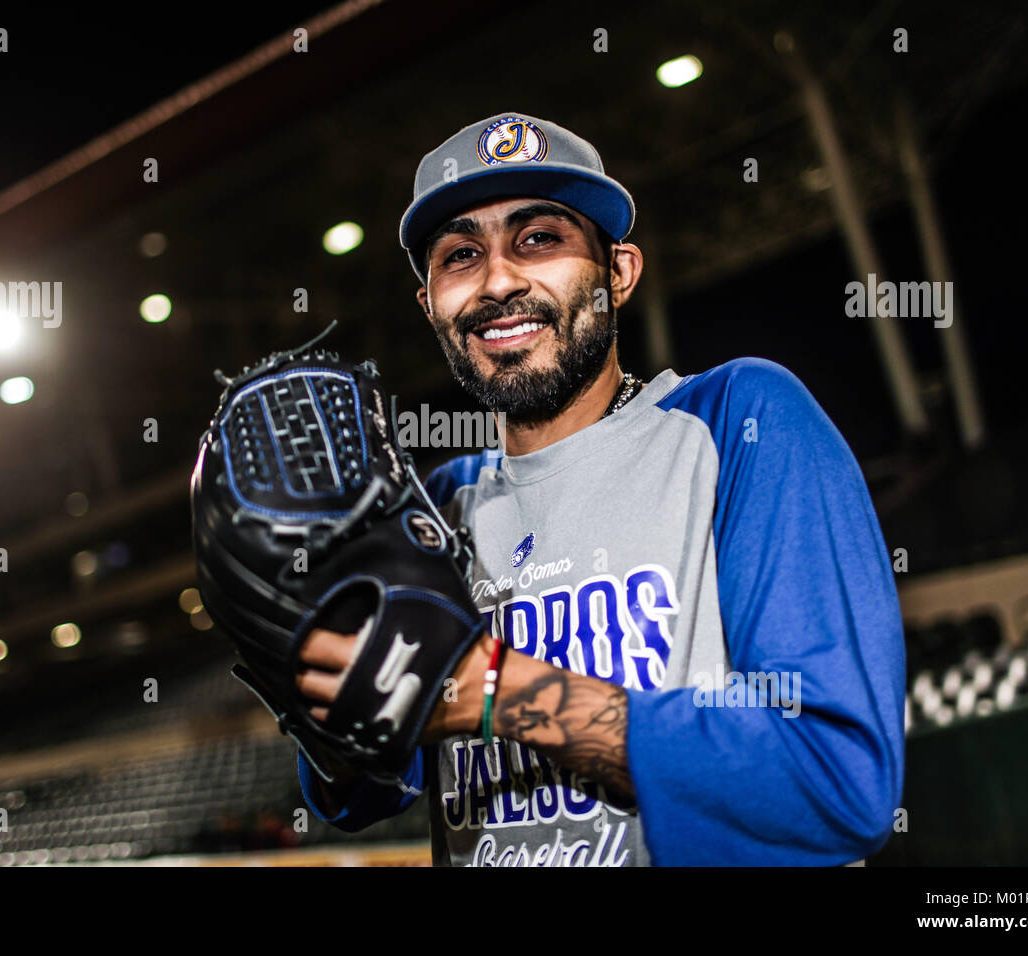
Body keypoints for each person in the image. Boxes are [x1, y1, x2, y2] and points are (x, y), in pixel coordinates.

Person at [293, 112, 905, 866]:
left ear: (618, 273)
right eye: (459, 254)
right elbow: (354, 798)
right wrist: (309, 666)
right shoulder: (437, 506)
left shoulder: (739, 420)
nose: (498, 281)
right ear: (430, 307)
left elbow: (838, 786)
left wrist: (496, 692)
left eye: (539, 238)